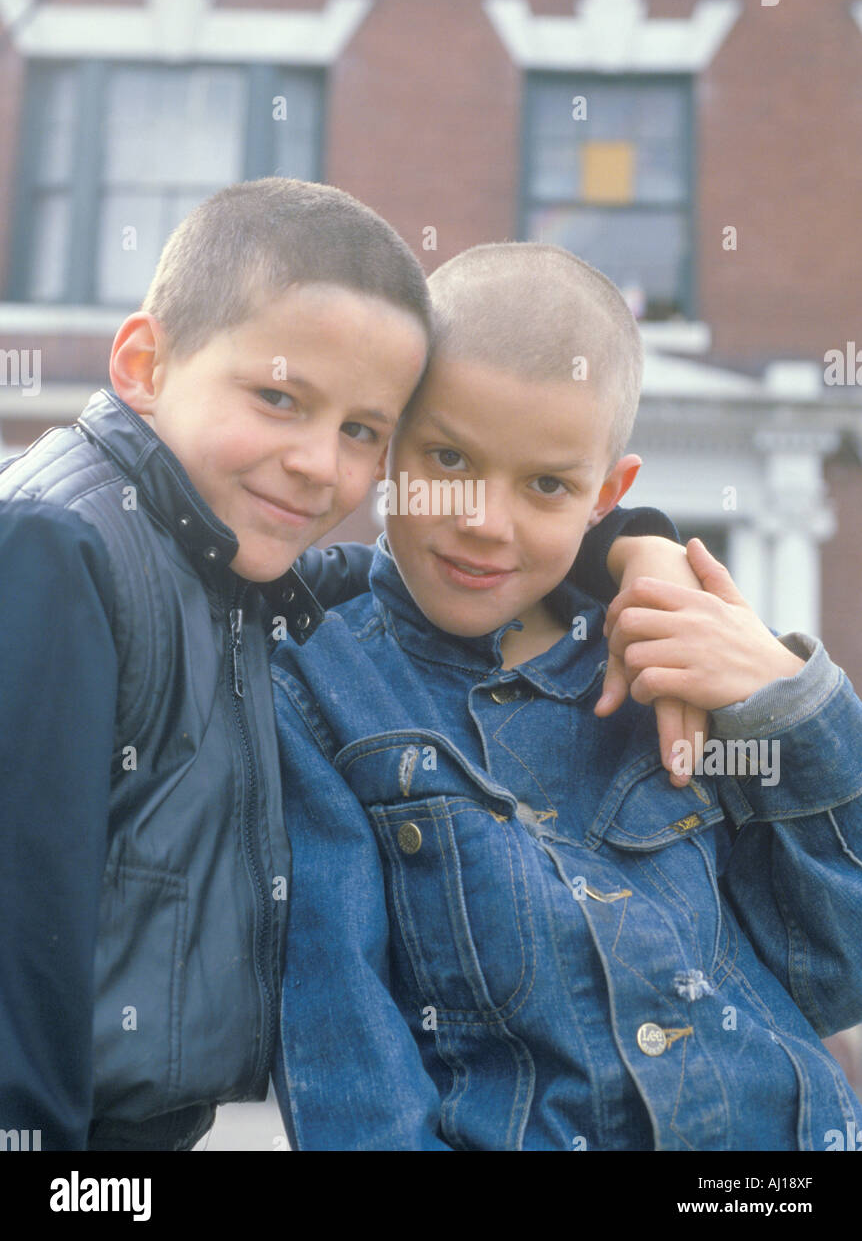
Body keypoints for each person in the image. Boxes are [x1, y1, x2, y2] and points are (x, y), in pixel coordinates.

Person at [0, 183, 681, 1151]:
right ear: (145, 363)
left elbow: (467, 560)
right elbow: (17, 934)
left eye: (362, 430)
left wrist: (637, 551)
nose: (319, 464)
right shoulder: (57, 548)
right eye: (278, 398)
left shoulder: (233, 564)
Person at [270, 242, 862, 1151]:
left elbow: (839, 974)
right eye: (448, 457)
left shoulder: (673, 665)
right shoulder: (320, 689)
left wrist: (789, 703)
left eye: (546, 484)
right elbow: (347, 1060)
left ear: (606, 495)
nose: (485, 520)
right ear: (386, 440)